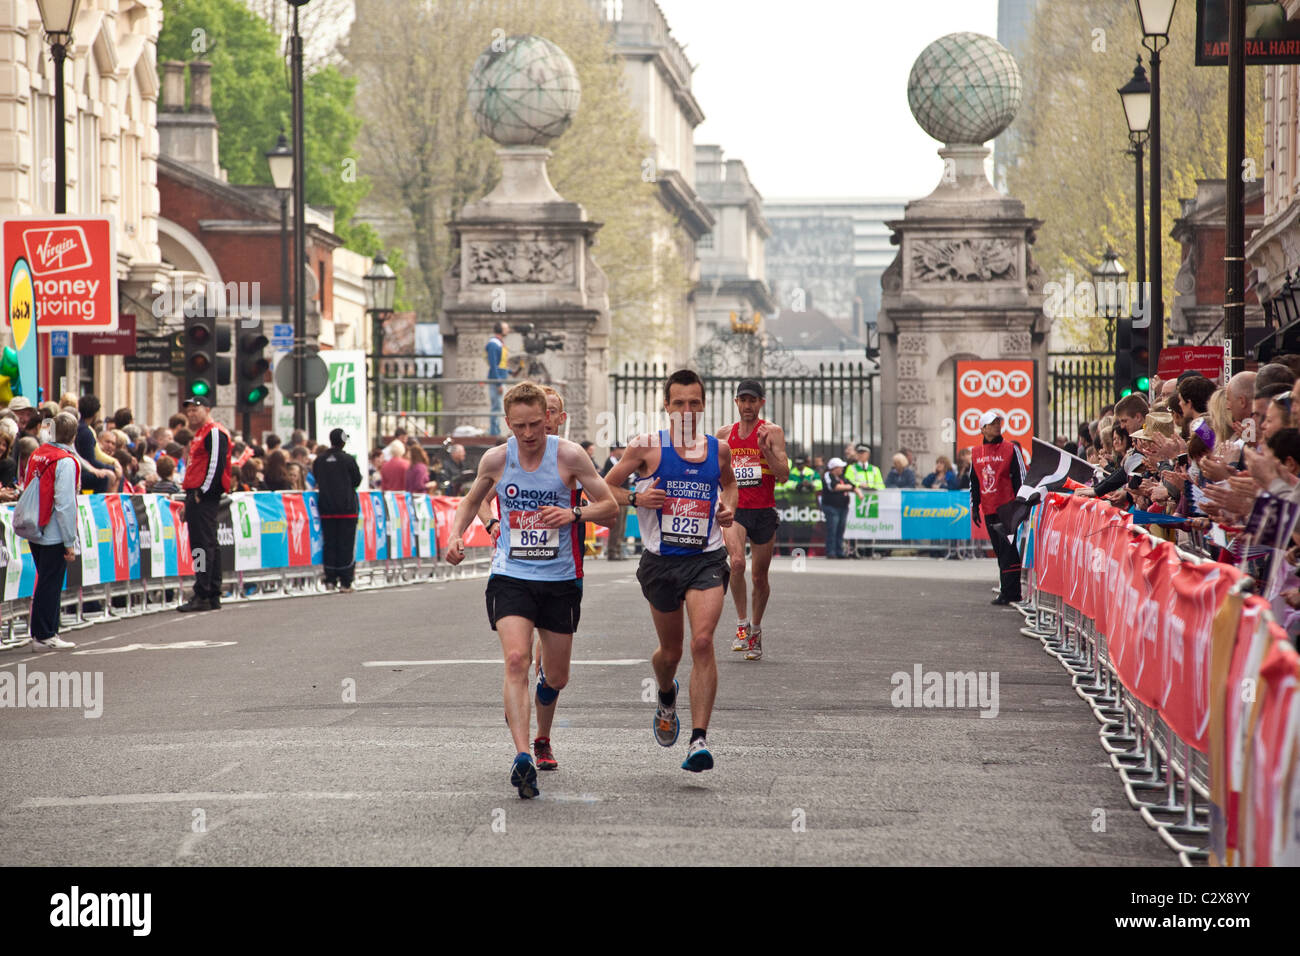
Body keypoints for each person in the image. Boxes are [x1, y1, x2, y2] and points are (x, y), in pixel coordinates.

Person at [445, 381, 616, 799]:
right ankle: (523, 755)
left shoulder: (570, 456)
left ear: (550, 418)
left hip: (558, 580)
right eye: (519, 426)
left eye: (535, 424)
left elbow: (610, 507)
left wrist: (573, 513)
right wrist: (456, 534)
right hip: (511, 574)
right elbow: (471, 499)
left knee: (555, 676)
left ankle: (540, 706)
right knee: (517, 658)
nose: (527, 434)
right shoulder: (498, 458)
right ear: (508, 423)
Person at [603, 368, 739, 774]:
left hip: (706, 559)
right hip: (661, 563)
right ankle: (666, 693)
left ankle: (699, 738)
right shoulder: (646, 448)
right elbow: (602, 486)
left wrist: (728, 507)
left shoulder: (720, 449)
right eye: (678, 403)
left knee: (701, 642)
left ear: (703, 405)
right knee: (671, 653)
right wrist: (636, 496)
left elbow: (729, 485)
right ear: (666, 406)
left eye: (694, 403)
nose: (686, 410)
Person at [716, 379, 788, 661]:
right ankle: (742, 626)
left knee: (759, 577)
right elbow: (714, 470)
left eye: (753, 400)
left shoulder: (772, 432)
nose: (747, 405)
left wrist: (765, 450)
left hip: (764, 510)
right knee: (736, 563)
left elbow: (783, 475)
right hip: (735, 510)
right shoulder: (724, 434)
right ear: (736, 402)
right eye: (743, 400)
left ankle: (756, 631)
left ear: (761, 403)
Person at [23, 412, 82, 650]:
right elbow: (66, 503)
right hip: (53, 529)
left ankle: (44, 631)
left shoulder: (38, 454)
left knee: (45, 579)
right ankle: (45, 633)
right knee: (51, 582)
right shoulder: (65, 461)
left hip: (35, 524)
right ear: (73, 435)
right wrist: (70, 541)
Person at [178, 394, 232, 613]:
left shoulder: (214, 432)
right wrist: (188, 498)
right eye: (189, 410)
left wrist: (202, 491)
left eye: (195, 410)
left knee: (202, 545)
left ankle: (203, 592)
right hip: (196, 494)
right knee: (207, 543)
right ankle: (211, 592)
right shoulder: (200, 434)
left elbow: (215, 464)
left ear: (207, 410)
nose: (191, 414)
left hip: (204, 495)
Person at [969, 411, 1025, 606]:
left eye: (998, 422)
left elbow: (1021, 477)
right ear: (983, 429)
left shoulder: (1011, 449)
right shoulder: (976, 453)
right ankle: (1007, 590)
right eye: (992, 424)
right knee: (1000, 551)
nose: (996, 426)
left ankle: (1011, 592)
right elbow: (974, 482)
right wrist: (975, 507)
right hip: (989, 508)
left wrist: (1022, 504)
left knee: (1009, 550)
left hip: (1008, 507)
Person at [314, 428, 362, 593]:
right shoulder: (348, 459)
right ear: (342, 441)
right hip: (347, 508)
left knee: (329, 544)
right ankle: (346, 581)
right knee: (346, 545)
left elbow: (316, 478)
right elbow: (357, 480)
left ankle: (330, 579)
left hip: (326, 508)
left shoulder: (319, 460)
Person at [602, 442, 631, 561]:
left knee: (622, 526)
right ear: (614, 450)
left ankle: (618, 549)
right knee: (616, 525)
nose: (623, 451)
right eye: (621, 449)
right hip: (615, 496)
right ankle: (612, 551)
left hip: (624, 495)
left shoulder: (619, 461)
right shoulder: (612, 461)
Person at [820, 457, 853, 559]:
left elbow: (852, 484)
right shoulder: (828, 475)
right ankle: (831, 551)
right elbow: (833, 487)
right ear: (834, 468)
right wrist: (849, 487)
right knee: (832, 530)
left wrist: (852, 487)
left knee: (840, 530)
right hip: (831, 507)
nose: (842, 469)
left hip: (843, 507)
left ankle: (840, 551)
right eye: (840, 467)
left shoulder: (842, 477)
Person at [486, 321, 511, 436]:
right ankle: (494, 432)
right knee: (496, 407)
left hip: (500, 379)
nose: (508, 329)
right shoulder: (493, 344)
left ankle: (496, 431)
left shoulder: (499, 344)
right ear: (500, 329)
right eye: (506, 328)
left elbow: (501, 364)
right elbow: (493, 364)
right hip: (497, 381)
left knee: (499, 406)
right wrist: (498, 383)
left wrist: (512, 372)